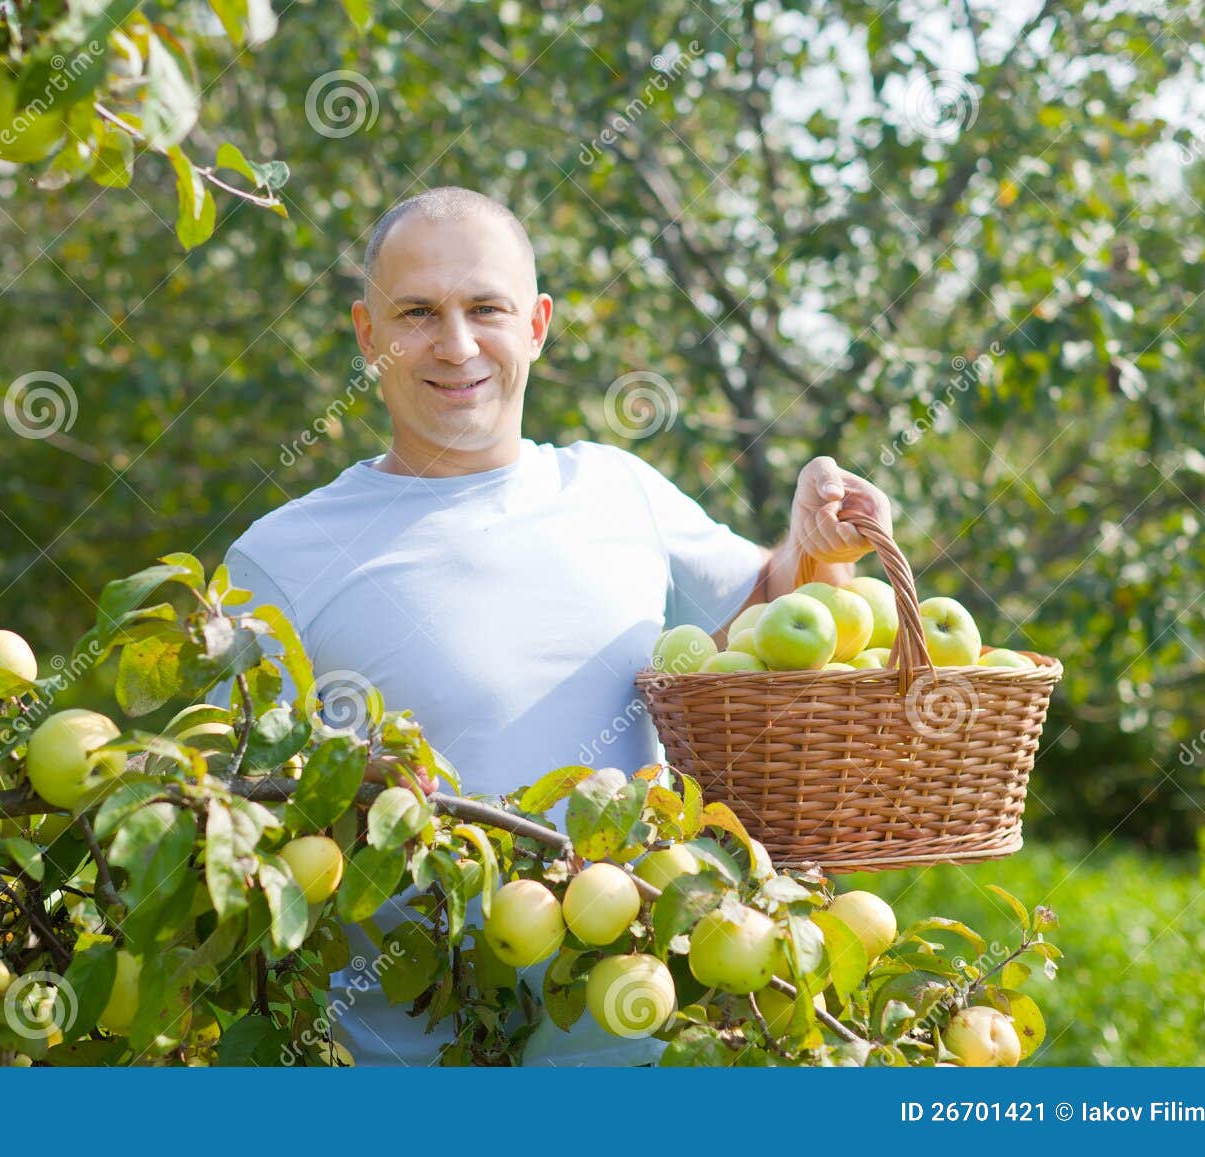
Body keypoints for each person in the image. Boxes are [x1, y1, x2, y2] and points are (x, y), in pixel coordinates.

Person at [217, 186, 893, 1066]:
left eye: (485, 308)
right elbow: (228, 818)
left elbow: (780, 635)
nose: (456, 345)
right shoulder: (281, 558)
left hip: (636, 1055)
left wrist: (816, 546)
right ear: (368, 335)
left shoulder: (615, 488)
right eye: (417, 312)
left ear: (536, 324)